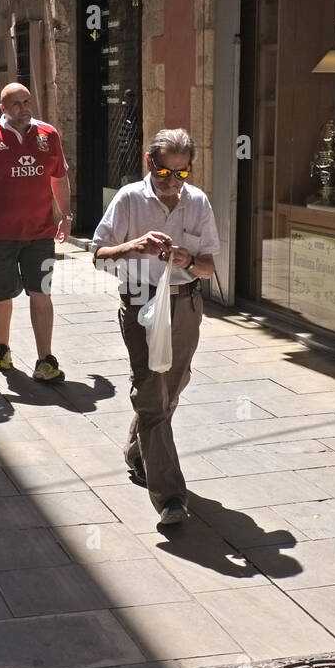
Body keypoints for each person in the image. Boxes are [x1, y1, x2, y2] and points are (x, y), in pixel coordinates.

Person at [89, 128, 220, 525]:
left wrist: (188, 262)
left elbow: (210, 267)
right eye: (165, 172)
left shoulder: (197, 202)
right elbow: (98, 255)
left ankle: (137, 452)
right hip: (140, 303)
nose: (172, 183)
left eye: (182, 174)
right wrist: (133, 247)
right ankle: (170, 499)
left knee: (171, 389)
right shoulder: (129, 198)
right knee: (150, 393)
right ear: (150, 163)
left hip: (186, 305)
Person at [0, 82, 72, 382]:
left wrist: (66, 215)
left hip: (40, 233)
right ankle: (2, 347)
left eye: (27, 101)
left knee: (41, 293)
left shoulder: (48, 135)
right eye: (16, 104)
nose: (24, 108)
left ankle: (45, 359)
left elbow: (59, 177)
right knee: (2, 294)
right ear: (3, 109)